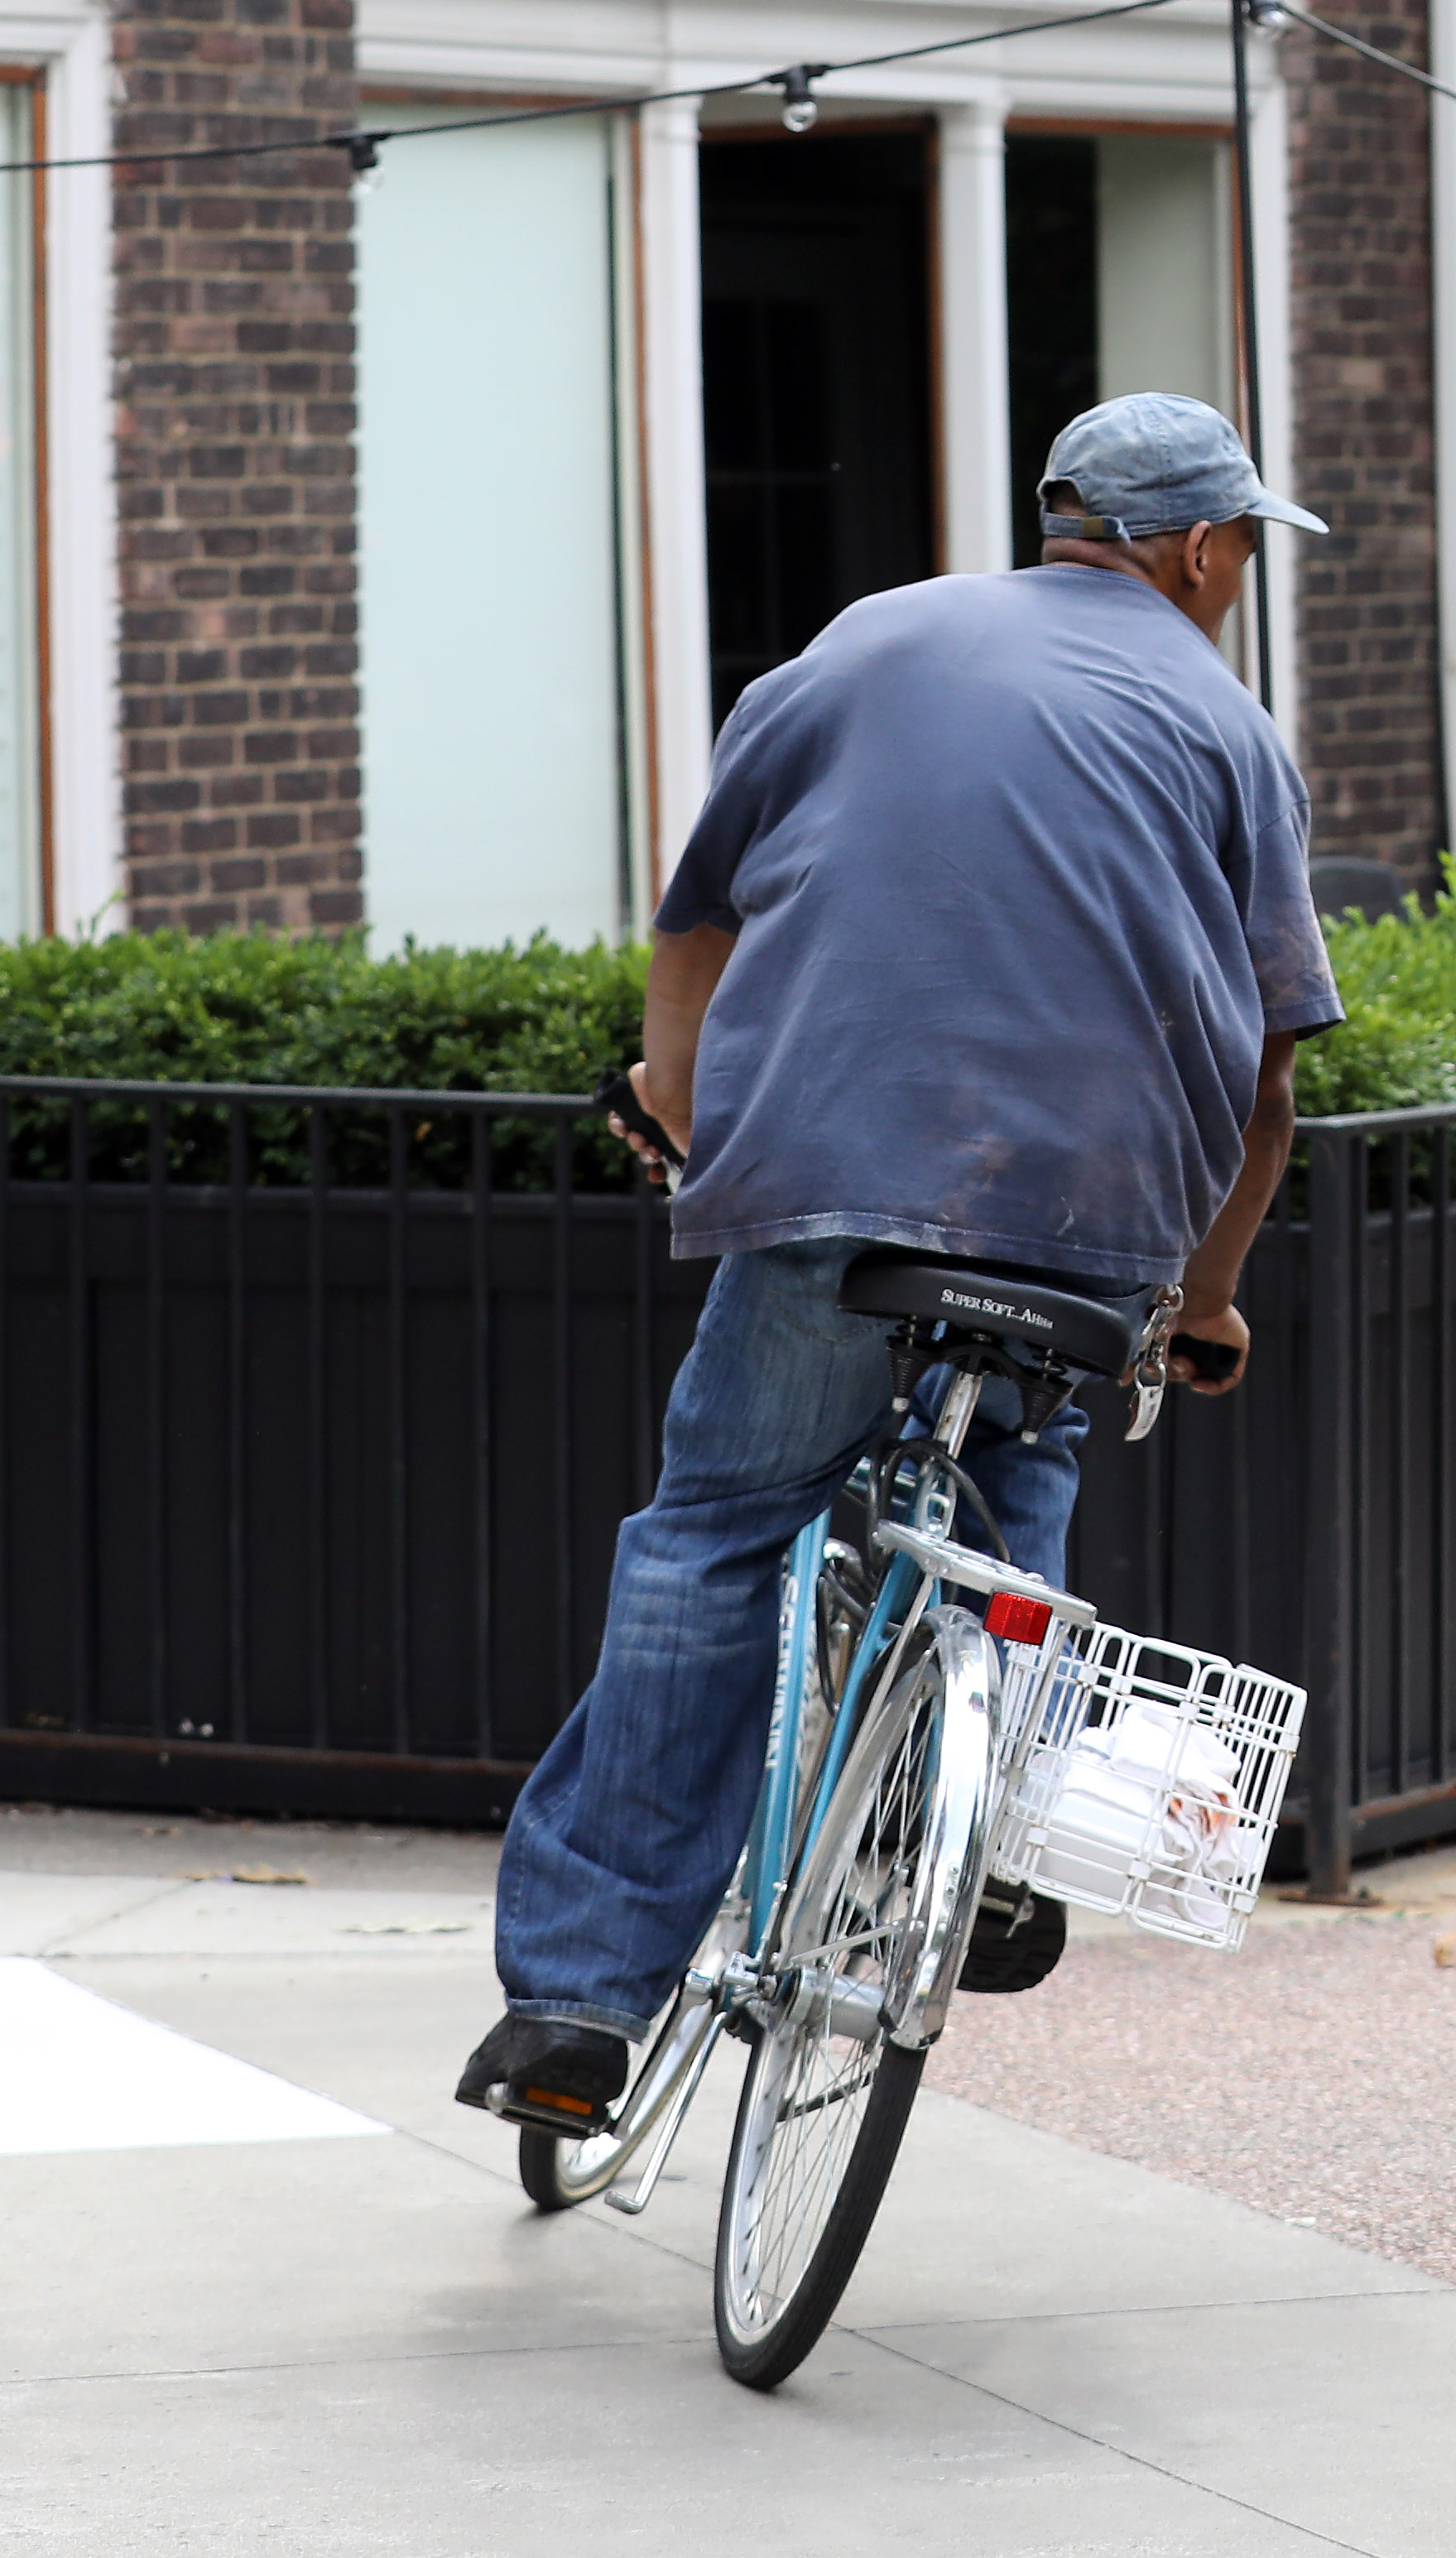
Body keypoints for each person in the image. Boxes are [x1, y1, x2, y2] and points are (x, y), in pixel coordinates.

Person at [459, 395, 1347, 2137]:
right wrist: (1209, 1300)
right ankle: (987, 1833)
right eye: (1243, 544)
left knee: (712, 1539)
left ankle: (574, 1998)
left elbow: (696, 916)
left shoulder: (871, 638)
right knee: (1016, 1488)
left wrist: (684, 1109)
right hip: (1088, 1213)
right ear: (1196, 546)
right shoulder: (1230, 730)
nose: (1240, 575)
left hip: (825, 1181)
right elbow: (1266, 1079)